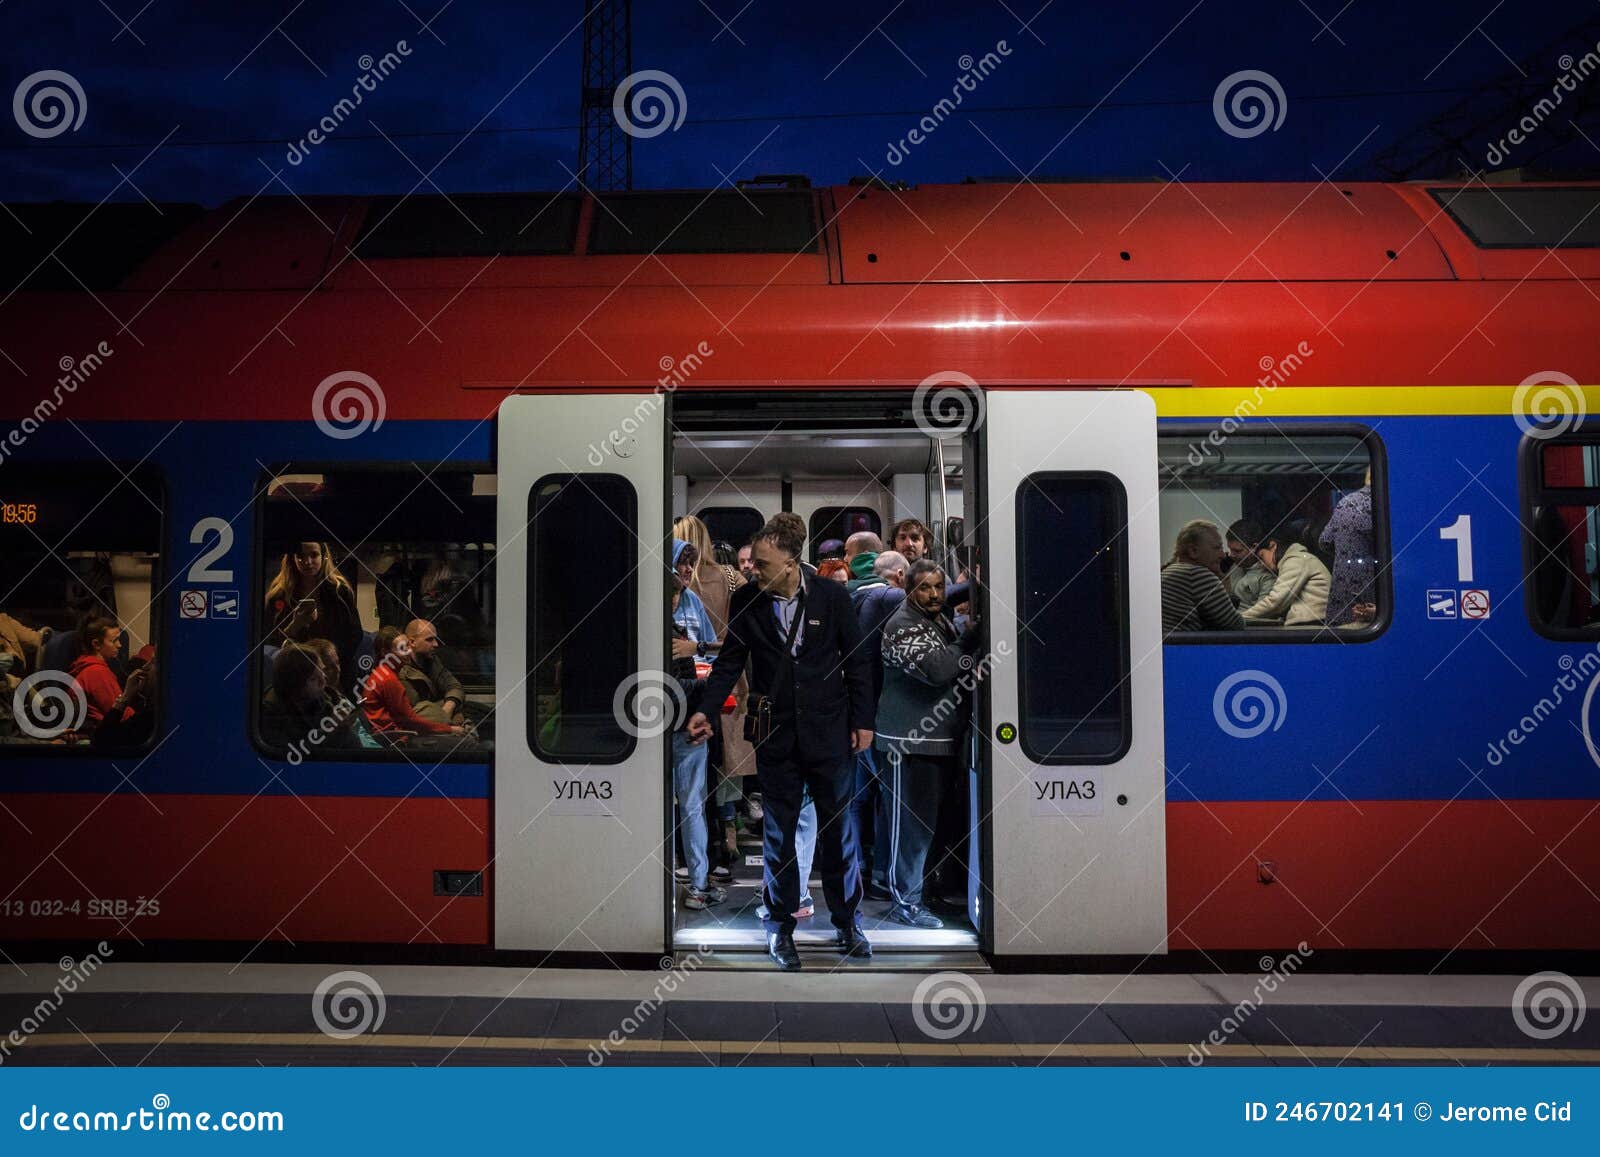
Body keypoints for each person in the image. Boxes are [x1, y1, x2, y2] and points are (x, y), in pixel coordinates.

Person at [687, 512, 876, 970]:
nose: (754, 570)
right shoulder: (748, 601)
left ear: (792, 564)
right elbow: (731, 663)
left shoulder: (833, 598)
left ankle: (847, 922)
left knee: (838, 834)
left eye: (764, 565)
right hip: (775, 736)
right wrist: (704, 710)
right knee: (778, 836)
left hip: (830, 734)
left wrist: (863, 721)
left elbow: (859, 664)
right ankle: (780, 926)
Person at [875, 560, 983, 929]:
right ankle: (905, 901)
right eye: (925, 588)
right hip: (907, 742)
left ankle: (927, 891)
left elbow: (957, 663)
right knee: (911, 827)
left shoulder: (934, 617)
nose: (935, 594)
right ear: (908, 588)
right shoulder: (902, 625)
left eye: (939, 586)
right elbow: (938, 670)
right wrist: (968, 640)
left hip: (939, 740)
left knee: (936, 825)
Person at [672, 521, 752, 882]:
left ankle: (700, 876)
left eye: (689, 561)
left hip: (693, 706)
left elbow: (714, 647)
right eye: (680, 563)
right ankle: (707, 855)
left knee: (693, 797)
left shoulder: (691, 600)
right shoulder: (725, 578)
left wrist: (698, 651)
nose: (687, 569)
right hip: (670, 708)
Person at [849, 549, 908, 897]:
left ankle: (860, 866)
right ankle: (884, 875)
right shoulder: (888, 598)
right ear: (900, 575)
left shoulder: (852, 598)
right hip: (880, 716)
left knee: (859, 797)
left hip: (858, 711)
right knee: (888, 797)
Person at [670, 575, 725, 910]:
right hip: (686, 731)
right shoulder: (675, 640)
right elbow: (677, 688)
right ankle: (699, 885)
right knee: (692, 808)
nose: (677, 602)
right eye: (676, 596)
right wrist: (708, 699)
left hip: (649, 733)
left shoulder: (636, 631)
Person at [264, 542, 363, 696]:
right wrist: (294, 626)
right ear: (292, 559)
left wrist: (330, 655)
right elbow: (269, 643)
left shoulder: (339, 592)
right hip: (295, 674)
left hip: (335, 674)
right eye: (301, 556)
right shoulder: (279, 595)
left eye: (314, 555)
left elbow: (355, 634)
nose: (307, 562)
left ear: (324, 557)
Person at [362, 627, 466, 738]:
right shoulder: (388, 680)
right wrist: (449, 729)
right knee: (466, 746)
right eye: (402, 648)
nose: (409, 651)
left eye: (408, 645)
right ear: (385, 653)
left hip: (400, 731)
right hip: (394, 738)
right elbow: (411, 722)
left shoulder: (383, 673)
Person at [1161, 520, 1244, 633]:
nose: (1223, 555)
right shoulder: (1196, 574)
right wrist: (1224, 580)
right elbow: (1235, 625)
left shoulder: (1170, 571)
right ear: (1193, 551)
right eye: (1217, 548)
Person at [1320, 472, 1377, 626]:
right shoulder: (1383, 503)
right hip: (1372, 597)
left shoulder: (1345, 502)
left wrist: (1345, 555)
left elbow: (1325, 541)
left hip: (1340, 597)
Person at [1242, 528, 1332, 627]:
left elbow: (1276, 602)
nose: (1262, 564)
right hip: (1309, 624)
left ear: (1273, 546)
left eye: (1261, 557)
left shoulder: (1296, 560)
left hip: (1311, 625)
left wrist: (1240, 618)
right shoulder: (1298, 560)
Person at [67, 618, 128, 733]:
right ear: (96, 644)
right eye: (114, 641)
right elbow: (119, 713)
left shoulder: (86, 665)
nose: (119, 645)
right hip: (100, 734)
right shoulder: (96, 672)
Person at [399, 618, 466, 724]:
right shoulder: (402, 671)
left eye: (435, 639)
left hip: (440, 712)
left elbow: (454, 686)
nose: (436, 644)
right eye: (429, 640)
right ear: (412, 642)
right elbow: (420, 710)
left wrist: (449, 706)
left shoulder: (432, 660)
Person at [1223, 519, 1273, 609]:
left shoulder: (1267, 576)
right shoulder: (1234, 565)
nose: (1231, 555)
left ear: (1253, 547)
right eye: (1230, 549)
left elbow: (1263, 613)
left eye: (1237, 551)